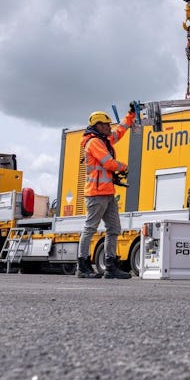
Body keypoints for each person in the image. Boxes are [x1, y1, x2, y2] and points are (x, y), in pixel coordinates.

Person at [77, 108, 135, 279]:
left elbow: (120, 131)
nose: (110, 127)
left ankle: (111, 266)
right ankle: (82, 266)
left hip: (107, 192)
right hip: (96, 193)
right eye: (106, 125)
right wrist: (123, 166)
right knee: (90, 228)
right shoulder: (94, 142)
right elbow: (108, 163)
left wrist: (130, 115)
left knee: (114, 229)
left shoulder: (104, 140)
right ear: (98, 126)